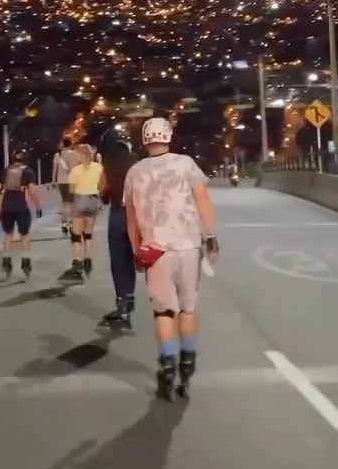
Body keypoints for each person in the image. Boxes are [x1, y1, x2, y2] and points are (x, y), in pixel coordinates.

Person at [124, 118, 219, 401]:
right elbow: (203, 201)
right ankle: (187, 367)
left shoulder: (134, 172)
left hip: (155, 252)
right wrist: (210, 236)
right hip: (188, 247)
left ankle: (167, 369)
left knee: (164, 312)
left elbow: (131, 218)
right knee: (187, 309)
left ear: (145, 139)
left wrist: (136, 250)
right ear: (168, 136)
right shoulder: (186, 164)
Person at [97, 139, 137, 330]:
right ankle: (130, 299)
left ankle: (122, 305)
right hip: (135, 215)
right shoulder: (136, 167)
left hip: (117, 216)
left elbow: (103, 194)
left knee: (118, 262)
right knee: (131, 260)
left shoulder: (107, 169)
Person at [0, 151, 42, 279]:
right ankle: (25, 263)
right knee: (24, 235)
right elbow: (32, 191)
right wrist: (38, 206)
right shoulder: (28, 171)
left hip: (6, 206)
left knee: (8, 234)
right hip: (21, 207)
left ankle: (6, 261)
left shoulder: (6, 171)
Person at [58, 143, 102, 282]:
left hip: (80, 199)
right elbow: (102, 184)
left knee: (76, 235)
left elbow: (71, 190)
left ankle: (77, 263)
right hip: (94, 200)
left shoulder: (75, 170)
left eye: (77, 154)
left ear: (81, 154)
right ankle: (88, 261)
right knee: (88, 234)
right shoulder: (98, 167)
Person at [52, 136, 80, 236]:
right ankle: (70, 224)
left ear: (63, 144)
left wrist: (53, 181)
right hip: (71, 181)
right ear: (71, 143)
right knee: (71, 204)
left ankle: (63, 223)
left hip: (61, 182)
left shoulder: (57, 155)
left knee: (64, 203)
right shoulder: (74, 154)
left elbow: (54, 169)